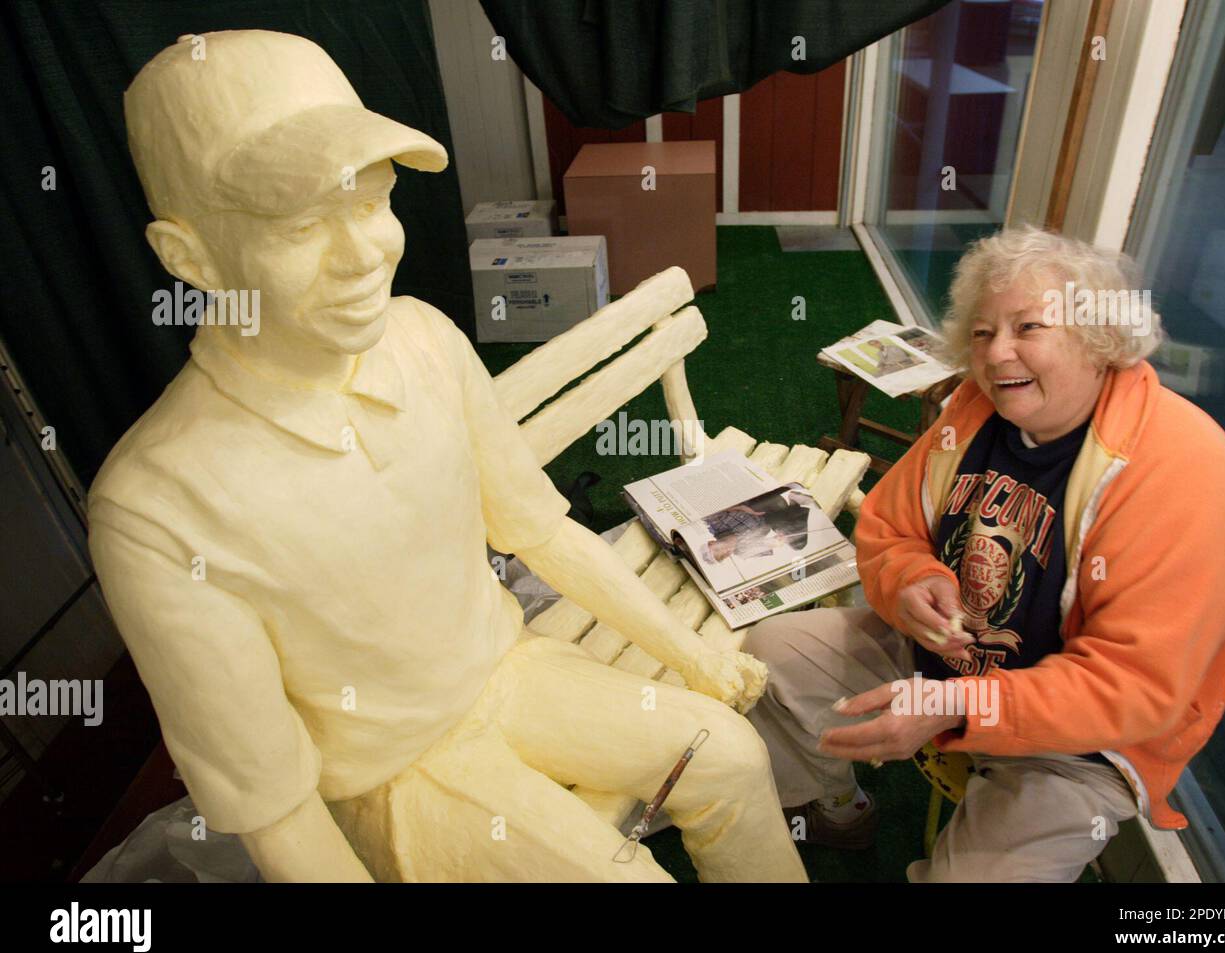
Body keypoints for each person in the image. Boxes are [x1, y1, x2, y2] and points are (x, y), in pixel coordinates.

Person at [89, 30, 806, 883]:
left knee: (728, 754)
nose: (362, 255)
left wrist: (697, 661)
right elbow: (274, 805)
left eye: (370, 201)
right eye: (301, 223)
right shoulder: (157, 507)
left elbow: (541, 532)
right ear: (189, 258)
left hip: (513, 672)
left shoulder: (423, 339)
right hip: (395, 774)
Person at [743, 225, 1225, 881]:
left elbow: (1134, 690)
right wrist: (910, 578)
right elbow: (886, 526)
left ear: (1099, 339)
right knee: (772, 655)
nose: (995, 354)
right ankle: (837, 809)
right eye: (983, 333)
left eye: (1028, 328)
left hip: (1080, 743)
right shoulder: (976, 409)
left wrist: (964, 707)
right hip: (939, 662)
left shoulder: (1186, 471)